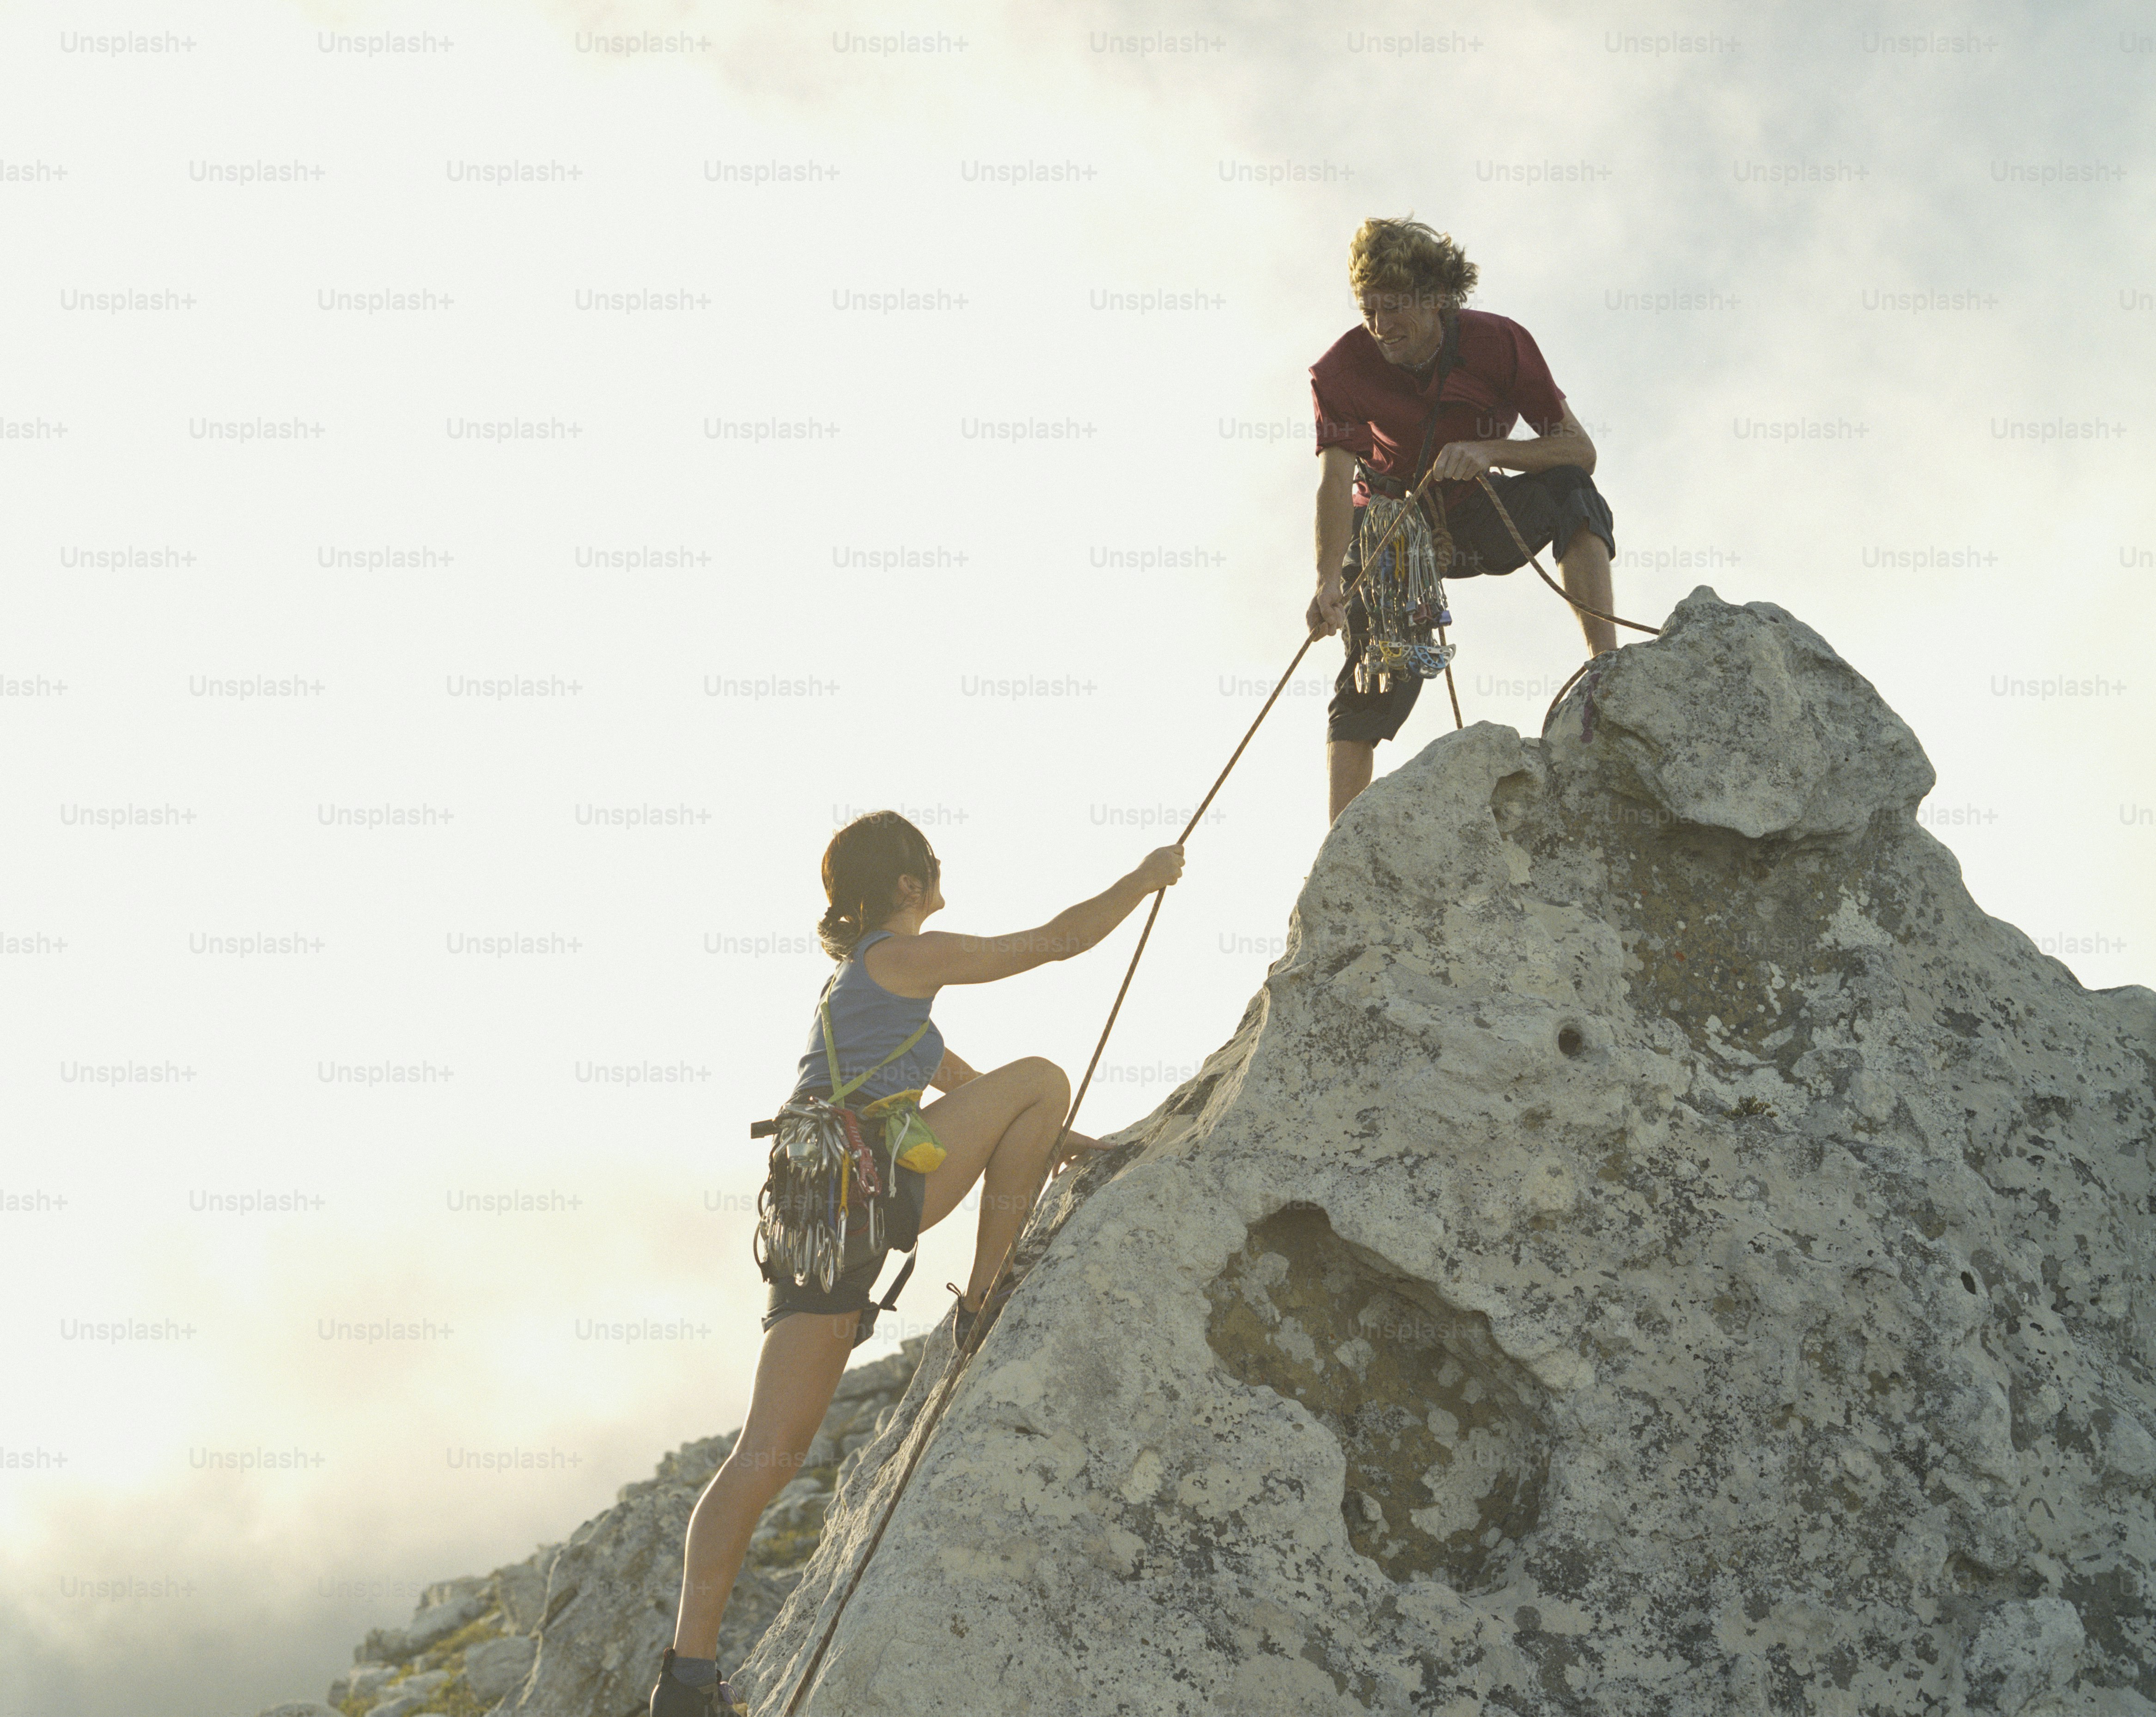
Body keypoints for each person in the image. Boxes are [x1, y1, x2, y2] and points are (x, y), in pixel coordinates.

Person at [649, 810, 1186, 1715]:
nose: (940, 878)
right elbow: (1055, 943)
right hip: (858, 1203)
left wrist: (1051, 1140)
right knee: (1045, 1072)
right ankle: (984, 1300)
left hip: (818, 1219)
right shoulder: (895, 960)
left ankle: (687, 1681)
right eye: (930, 867)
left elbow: (971, 1097)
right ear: (906, 884)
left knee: (766, 1452)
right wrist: (1143, 876)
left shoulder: (869, 993)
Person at [1308, 216, 1620, 823]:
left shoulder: (1498, 345)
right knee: (1379, 667)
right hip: (1392, 527)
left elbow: (1577, 450)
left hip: (1474, 515)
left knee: (1569, 491)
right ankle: (1341, 840)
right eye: (1369, 309)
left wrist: (1491, 452)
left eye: (1394, 307)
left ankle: (1606, 672)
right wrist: (1326, 579)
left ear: (1437, 300)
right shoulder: (1340, 369)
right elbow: (1333, 479)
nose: (1379, 326)